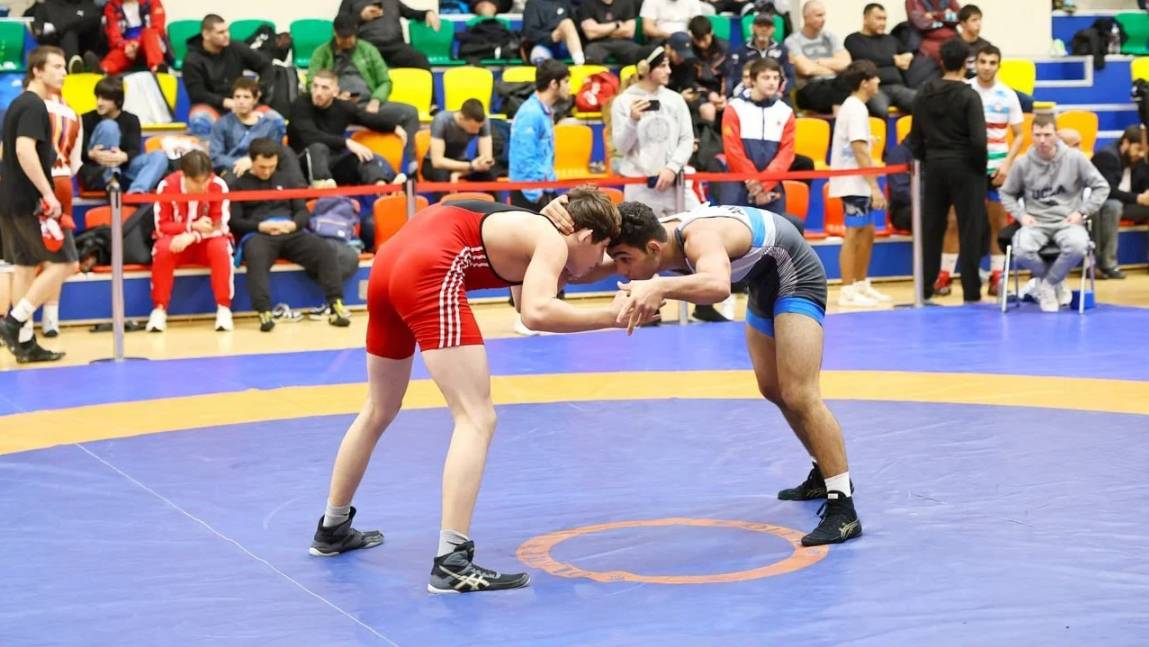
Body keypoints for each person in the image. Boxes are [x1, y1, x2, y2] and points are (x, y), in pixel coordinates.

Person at [309, 188, 645, 593]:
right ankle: (452, 561)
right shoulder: (552, 239)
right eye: (604, 252)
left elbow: (526, 301)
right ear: (587, 236)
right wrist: (610, 316)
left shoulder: (534, 231)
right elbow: (537, 313)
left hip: (388, 264)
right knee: (476, 417)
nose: (601, 263)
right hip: (430, 269)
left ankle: (333, 527)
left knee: (378, 408)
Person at [549, 197, 863, 547]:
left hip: (796, 274)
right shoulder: (647, 244)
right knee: (773, 389)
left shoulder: (699, 238)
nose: (621, 269)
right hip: (763, 281)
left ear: (653, 249)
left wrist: (660, 286)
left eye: (625, 260)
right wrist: (545, 243)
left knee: (800, 393)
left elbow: (717, 286)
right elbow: (587, 269)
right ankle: (821, 471)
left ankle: (843, 508)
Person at [229, 138, 351, 332]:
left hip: (290, 231)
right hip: (259, 234)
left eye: (271, 166)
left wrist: (294, 224)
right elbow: (235, 221)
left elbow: (302, 212)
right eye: (262, 167)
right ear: (251, 161)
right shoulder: (238, 185)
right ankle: (264, 311)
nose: (267, 171)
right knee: (256, 256)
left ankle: (336, 304)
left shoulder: (287, 180)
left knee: (325, 250)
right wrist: (260, 226)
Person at [0, 46, 73, 363]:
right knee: (66, 263)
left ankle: (25, 343)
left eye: (64, 66)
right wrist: (48, 193)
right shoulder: (33, 106)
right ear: (37, 71)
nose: (63, 73)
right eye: (56, 66)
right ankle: (14, 322)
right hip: (28, 201)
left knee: (26, 268)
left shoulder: (16, 104)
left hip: (10, 199)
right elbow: (23, 150)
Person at [1000, 114, 1109, 312]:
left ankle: (1047, 285)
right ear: (1031, 135)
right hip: (1035, 223)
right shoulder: (1022, 163)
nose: (1042, 140)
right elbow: (1006, 193)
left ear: (1056, 135)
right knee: (1021, 250)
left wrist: (1082, 212)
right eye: (1037, 135)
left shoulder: (1075, 158)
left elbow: (1102, 187)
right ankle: (1054, 282)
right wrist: (1021, 215)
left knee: (1078, 246)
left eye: (1047, 135)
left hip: (1067, 221)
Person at [908, 38, 987, 302]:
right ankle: (971, 291)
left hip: (934, 165)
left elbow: (915, 137)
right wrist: (979, 168)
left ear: (941, 62)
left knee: (932, 228)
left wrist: (927, 159)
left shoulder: (924, 93)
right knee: (969, 229)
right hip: (966, 167)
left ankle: (925, 288)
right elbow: (979, 140)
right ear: (966, 63)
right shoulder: (969, 95)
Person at [306, 13, 420, 171]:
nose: (346, 41)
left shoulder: (369, 50)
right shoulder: (322, 53)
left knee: (410, 113)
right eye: (342, 37)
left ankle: (412, 163)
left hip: (368, 104)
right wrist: (333, 98)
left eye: (349, 37)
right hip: (336, 106)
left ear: (356, 33)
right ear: (335, 33)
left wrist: (376, 100)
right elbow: (311, 82)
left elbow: (385, 82)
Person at [146, 150, 235, 333]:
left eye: (205, 181)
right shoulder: (167, 186)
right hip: (177, 242)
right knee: (163, 248)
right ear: (184, 176)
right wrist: (191, 226)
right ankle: (159, 310)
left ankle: (224, 309)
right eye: (196, 182)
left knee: (221, 247)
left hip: (206, 242)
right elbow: (162, 225)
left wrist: (193, 236)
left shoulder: (218, 186)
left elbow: (220, 226)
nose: (202, 187)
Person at [830, 60, 891, 307]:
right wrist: (874, 186)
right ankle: (846, 289)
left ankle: (860, 284)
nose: (879, 82)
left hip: (858, 180)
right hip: (852, 181)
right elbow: (858, 149)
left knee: (868, 232)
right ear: (865, 83)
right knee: (854, 233)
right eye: (875, 78)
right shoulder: (855, 108)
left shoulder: (856, 107)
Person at [612, 46, 696, 217]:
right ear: (645, 69)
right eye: (662, 66)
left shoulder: (676, 99)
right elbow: (621, 148)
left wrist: (672, 168)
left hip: (675, 182)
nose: (669, 71)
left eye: (668, 65)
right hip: (640, 185)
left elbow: (687, 139)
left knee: (699, 222)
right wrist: (632, 121)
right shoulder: (623, 102)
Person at [286, 70, 403, 189]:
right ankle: (322, 185)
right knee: (319, 147)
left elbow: (367, 118)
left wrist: (394, 127)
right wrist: (346, 142)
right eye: (315, 86)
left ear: (335, 92)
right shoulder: (300, 104)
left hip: (334, 164)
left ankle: (382, 187)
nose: (318, 92)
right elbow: (310, 136)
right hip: (304, 164)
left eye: (325, 88)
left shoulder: (343, 107)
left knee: (363, 155)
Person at [721, 58, 795, 213]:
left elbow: (787, 152)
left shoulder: (785, 111)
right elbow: (732, 149)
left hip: (772, 187)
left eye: (776, 78)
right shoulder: (735, 108)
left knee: (774, 228)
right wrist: (753, 181)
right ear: (753, 80)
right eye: (766, 77)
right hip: (738, 185)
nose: (772, 83)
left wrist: (764, 184)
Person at [184, 15, 277, 137]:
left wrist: (259, 90)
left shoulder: (236, 48)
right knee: (200, 120)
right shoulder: (192, 60)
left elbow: (266, 66)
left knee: (275, 120)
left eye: (227, 31)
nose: (226, 35)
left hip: (242, 103)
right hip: (210, 105)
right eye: (220, 32)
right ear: (206, 35)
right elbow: (197, 93)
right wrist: (225, 102)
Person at [79, 74, 170, 194]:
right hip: (98, 173)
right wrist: (91, 154)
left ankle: (136, 191)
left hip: (124, 171)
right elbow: (78, 153)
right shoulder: (86, 119)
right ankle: (111, 180)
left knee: (159, 156)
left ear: (117, 100)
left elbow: (134, 150)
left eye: (105, 98)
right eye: (98, 97)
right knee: (109, 126)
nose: (99, 102)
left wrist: (124, 156)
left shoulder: (131, 119)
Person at [208, 78, 302, 186]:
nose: (241, 101)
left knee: (287, 152)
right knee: (230, 179)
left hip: (265, 168)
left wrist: (252, 162)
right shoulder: (221, 123)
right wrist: (240, 162)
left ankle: (300, 189)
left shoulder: (269, 125)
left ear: (255, 99)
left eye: (246, 97)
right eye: (237, 97)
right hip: (234, 170)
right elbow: (215, 157)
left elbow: (274, 152)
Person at [508, 60, 570, 211]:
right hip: (529, 194)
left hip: (544, 187)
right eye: (566, 81)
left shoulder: (544, 111)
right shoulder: (530, 113)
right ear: (554, 84)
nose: (570, 87)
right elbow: (524, 157)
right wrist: (536, 195)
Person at [1092, 125, 1149, 279]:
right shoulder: (1107, 156)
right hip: (1104, 204)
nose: (1141, 153)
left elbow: (1143, 183)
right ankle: (1107, 264)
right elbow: (1108, 190)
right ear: (1126, 142)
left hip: (1128, 204)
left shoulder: (1140, 159)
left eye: (1143, 150)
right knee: (1113, 206)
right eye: (1138, 149)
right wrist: (1138, 198)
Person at [844, 3, 916, 116]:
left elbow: (907, 53)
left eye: (884, 19)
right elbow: (865, 59)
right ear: (865, 19)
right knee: (880, 109)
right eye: (878, 18)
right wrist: (893, 61)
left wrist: (909, 56)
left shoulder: (891, 39)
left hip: (898, 87)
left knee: (922, 102)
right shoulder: (853, 40)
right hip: (873, 89)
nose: (883, 23)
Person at [785, 0, 851, 114]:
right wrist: (834, 68)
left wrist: (820, 62)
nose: (823, 19)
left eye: (824, 15)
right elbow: (806, 69)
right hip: (808, 88)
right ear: (806, 17)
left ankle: (839, 118)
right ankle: (839, 121)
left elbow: (846, 63)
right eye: (819, 15)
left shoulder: (830, 37)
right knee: (840, 91)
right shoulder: (792, 41)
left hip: (835, 83)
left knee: (852, 85)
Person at [337, 0, 440, 71]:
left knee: (420, 60)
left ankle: (429, 98)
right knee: (351, 66)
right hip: (367, 46)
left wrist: (428, 13)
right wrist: (361, 16)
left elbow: (410, 12)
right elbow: (340, 23)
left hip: (395, 45)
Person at [422, 99, 496, 185]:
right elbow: (437, 162)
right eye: (473, 127)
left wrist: (458, 173)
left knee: (488, 175)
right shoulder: (441, 120)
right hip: (433, 164)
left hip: (461, 161)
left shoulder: (484, 121)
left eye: (479, 128)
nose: (477, 131)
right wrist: (471, 166)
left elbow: (486, 159)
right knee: (442, 176)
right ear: (462, 118)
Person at [726, 12, 795, 103]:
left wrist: (779, 92)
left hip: (777, 94)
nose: (764, 29)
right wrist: (752, 92)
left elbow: (790, 76)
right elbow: (736, 77)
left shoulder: (782, 50)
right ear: (753, 27)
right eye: (760, 26)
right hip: (749, 94)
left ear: (774, 29)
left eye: (768, 26)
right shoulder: (742, 50)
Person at [100, 0, 168, 75]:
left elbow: (158, 28)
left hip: (150, 46)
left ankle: (158, 69)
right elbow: (113, 35)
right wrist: (126, 45)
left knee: (149, 33)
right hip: (126, 49)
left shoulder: (152, 2)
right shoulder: (112, 6)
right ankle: (102, 71)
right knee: (112, 60)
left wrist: (136, 43)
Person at [578, 0, 645, 66]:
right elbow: (590, 33)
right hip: (597, 43)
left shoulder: (626, 2)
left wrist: (599, 30)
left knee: (641, 54)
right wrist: (616, 25)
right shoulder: (587, 3)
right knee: (591, 53)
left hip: (623, 43)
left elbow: (629, 32)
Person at [522, 0, 586, 65]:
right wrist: (551, 37)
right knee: (538, 55)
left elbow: (577, 25)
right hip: (543, 45)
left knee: (567, 23)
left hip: (566, 45)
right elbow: (529, 32)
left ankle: (580, 63)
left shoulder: (566, 2)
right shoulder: (533, 3)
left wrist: (563, 31)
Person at [905, 0, 961, 66]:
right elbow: (921, 23)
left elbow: (959, 16)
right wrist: (945, 16)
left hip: (954, 43)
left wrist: (935, 15)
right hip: (926, 47)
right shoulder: (913, 1)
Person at [640, 0, 704, 43]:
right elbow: (647, 28)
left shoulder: (693, 1)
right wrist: (669, 36)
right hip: (661, 39)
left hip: (686, 39)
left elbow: (697, 23)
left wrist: (688, 36)